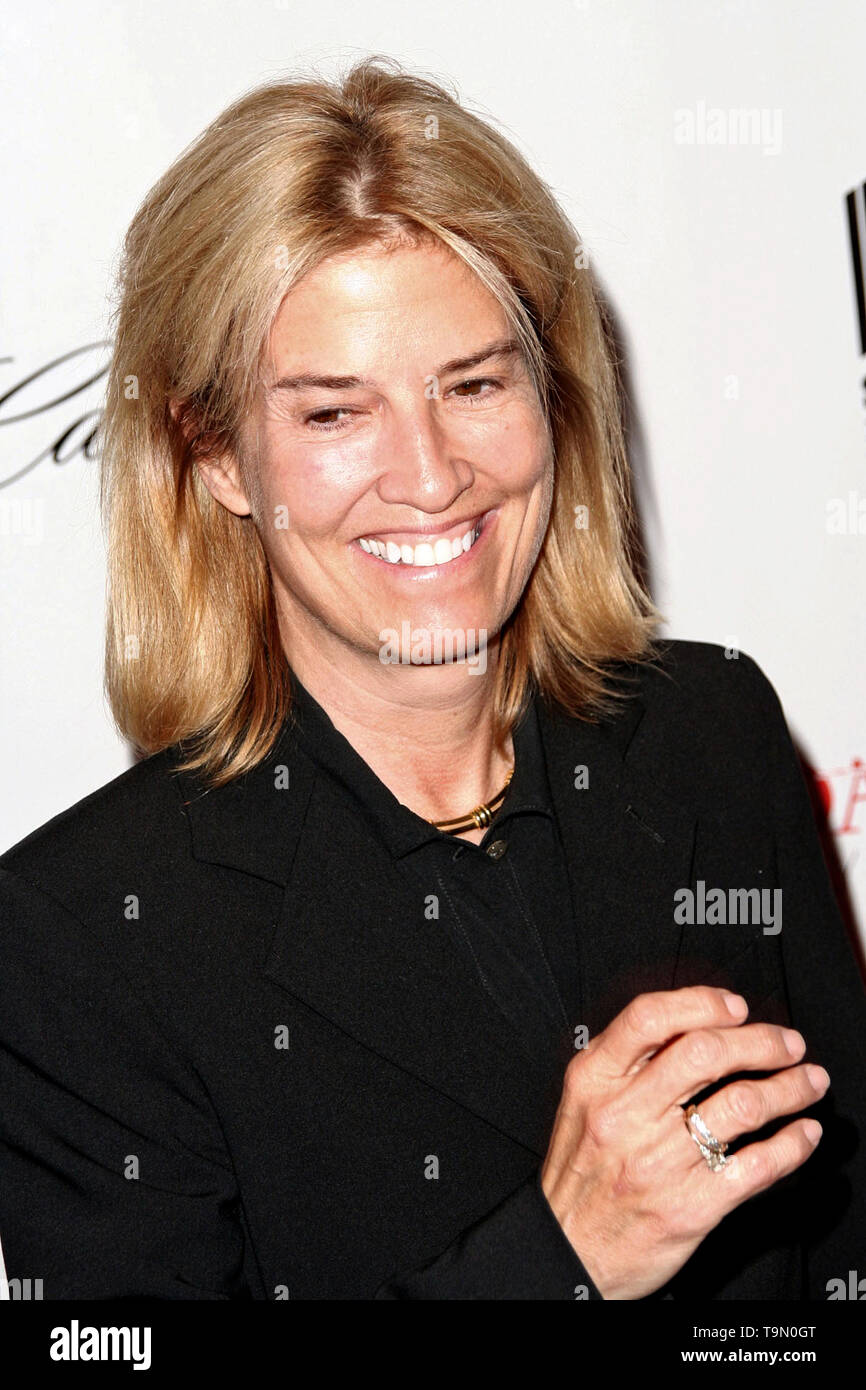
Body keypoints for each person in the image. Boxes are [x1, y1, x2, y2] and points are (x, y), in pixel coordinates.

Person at [1, 56, 863, 1301]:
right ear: (217, 458)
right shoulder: (83, 942)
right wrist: (560, 1259)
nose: (428, 473)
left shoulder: (707, 732)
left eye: (471, 384)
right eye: (332, 414)